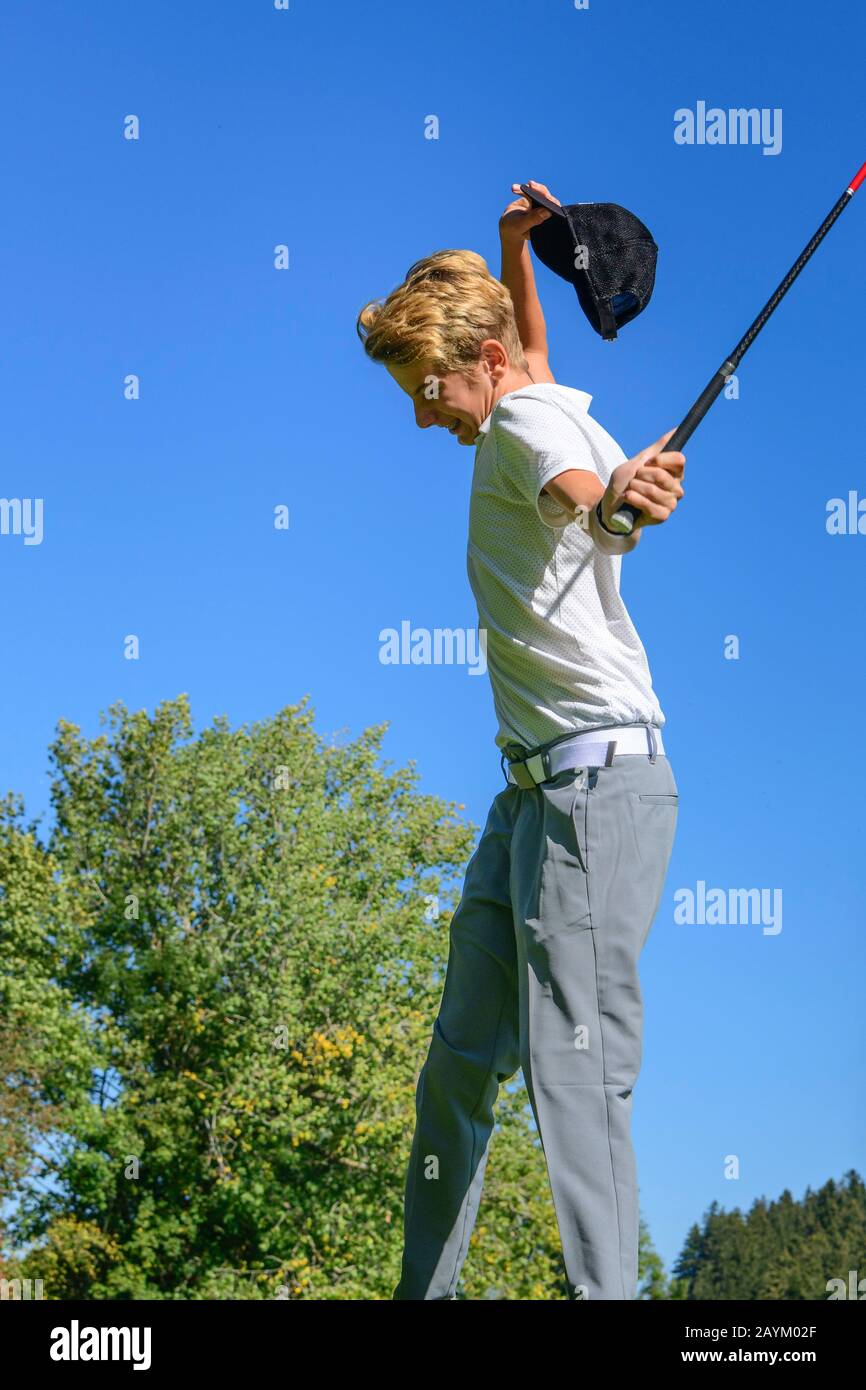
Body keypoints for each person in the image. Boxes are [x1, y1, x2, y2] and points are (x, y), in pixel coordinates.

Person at [355, 182, 685, 1300]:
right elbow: (529, 348)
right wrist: (513, 246)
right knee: (456, 1069)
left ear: (476, 364)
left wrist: (615, 508)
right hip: (529, 805)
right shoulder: (525, 385)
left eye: (424, 387)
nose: (419, 414)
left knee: (572, 1069)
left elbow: (576, 497)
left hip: (596, 795)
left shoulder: (521, 425)